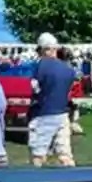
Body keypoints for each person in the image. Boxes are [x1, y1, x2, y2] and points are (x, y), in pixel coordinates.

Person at [29, 32, 77, 167]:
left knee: (38, 155)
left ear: (45, 49)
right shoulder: (68, 69)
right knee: (65, 154)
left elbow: (34, 88)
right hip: (62, 113)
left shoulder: (40, 66)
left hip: (43, 113)